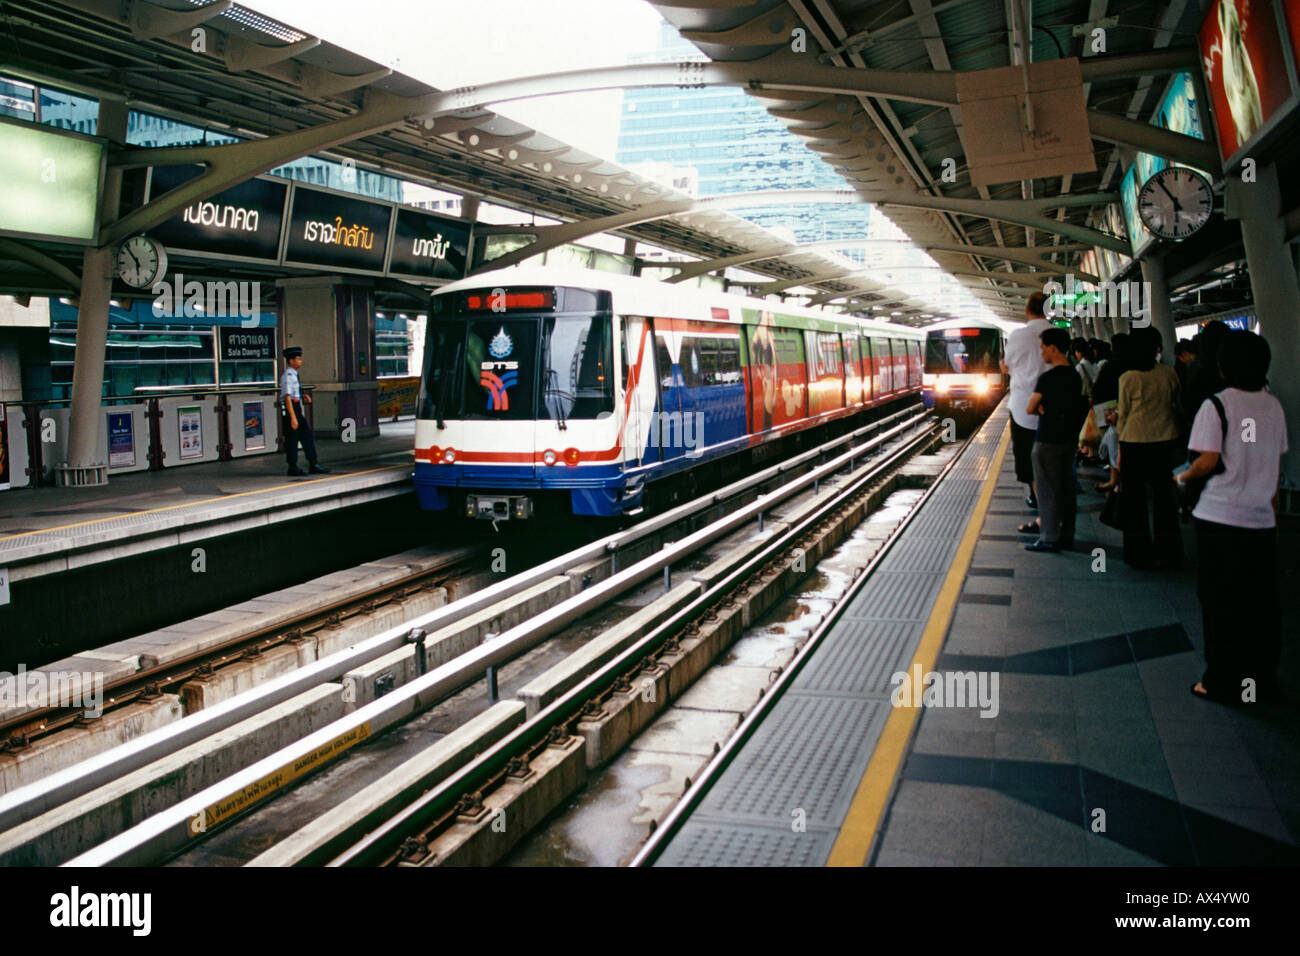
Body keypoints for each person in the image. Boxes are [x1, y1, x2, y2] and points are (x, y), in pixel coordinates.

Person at [1177, 331, 1286, 705]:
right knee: (1259, 606)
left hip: (1219, 518)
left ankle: (1219, 681)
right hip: (1259, 522)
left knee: (1220, 603)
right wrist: (1271, 519)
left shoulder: (1216, 405)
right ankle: (1258, 683)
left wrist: (1182, 477)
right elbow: (1272, 466)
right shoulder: (1273, 407)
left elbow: (1206, 462)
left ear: (1223, 367)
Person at [1116, 326, 1182, 568]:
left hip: (1134, 442)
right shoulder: (1169, 373)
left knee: (1134, 501)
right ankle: (1169, 551)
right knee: (1165, 499)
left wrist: (1121, 446)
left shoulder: (1128, 378)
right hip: (1165, 442)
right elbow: (1178, 404)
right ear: (1157, 347)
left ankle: (1137, 553)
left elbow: (1123, 415)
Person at [1023, 326, 1088, 552]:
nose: (1042, 353)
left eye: (1043, 349)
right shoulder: (1075, 376)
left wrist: (1043, 407)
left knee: (1048, 490)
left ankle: (1049, 537)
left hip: (1047, 439)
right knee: (1067, 488)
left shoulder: (1048, 378)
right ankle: (1066, 536)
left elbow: (1030, 407)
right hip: (1068, 440)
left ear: (1053, 348)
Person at [1003, 293, 1053, 510]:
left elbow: (1007, 366)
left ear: (1026, 310)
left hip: (1022, 408)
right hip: (1054, 408)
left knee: (1026, 456)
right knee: (1052, 457)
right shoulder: (1058, 333)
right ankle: (1052, 499)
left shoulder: (1018, 335)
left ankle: (1037, 498)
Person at [281, 346, 329, 477]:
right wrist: (293, 418)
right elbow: (287, 398)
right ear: (291, 361)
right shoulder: (287, 376)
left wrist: (303, 397)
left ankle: (313, 463)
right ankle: (292, 466)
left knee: (306, 437)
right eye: (298, 359)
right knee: (292, 439)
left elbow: (295, 393)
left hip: (297, 408)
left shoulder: (295, 375)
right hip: (291, 410)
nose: (300, 361)